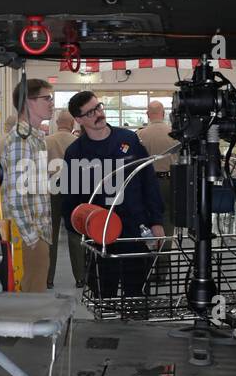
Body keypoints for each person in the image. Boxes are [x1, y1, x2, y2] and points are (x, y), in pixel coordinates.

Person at [63, 91, 164, 298]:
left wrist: (156, 221)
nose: (99, 114)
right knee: (103, 296)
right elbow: (71, 200)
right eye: (90, 112)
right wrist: (80, 229)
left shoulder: (129, 139)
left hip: (134, 230)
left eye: (98, 107)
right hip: (98, 235)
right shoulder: (75, 152)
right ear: (79, 120)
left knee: (136, 296)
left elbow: (148, 181)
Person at [0, 79, 53, 293]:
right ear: (27, 102)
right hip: (28, 236)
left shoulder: (36, 139)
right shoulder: (21, 141)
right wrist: (32, 238)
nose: (51, 103)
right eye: (46, 98)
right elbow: (15, 197)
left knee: (34, 296)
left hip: (36, 232)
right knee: (30, 301)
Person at [45, 109, 85, 288]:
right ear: (71, 124)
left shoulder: (47, 141)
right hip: (74, 188)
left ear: (56, 123)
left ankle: (49, 278)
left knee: (51, 234)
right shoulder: (79, 142)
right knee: (75, 232)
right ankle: (80, 277)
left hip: (52, 187)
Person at [137, 99, 177, 239]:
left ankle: (150, 253)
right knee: (167, 219)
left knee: (148, 217)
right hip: (171, 182)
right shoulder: (175, 134)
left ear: (148, 114)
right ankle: (164, 255)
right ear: (164, 113)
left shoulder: (139, 135)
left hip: (147, 183)